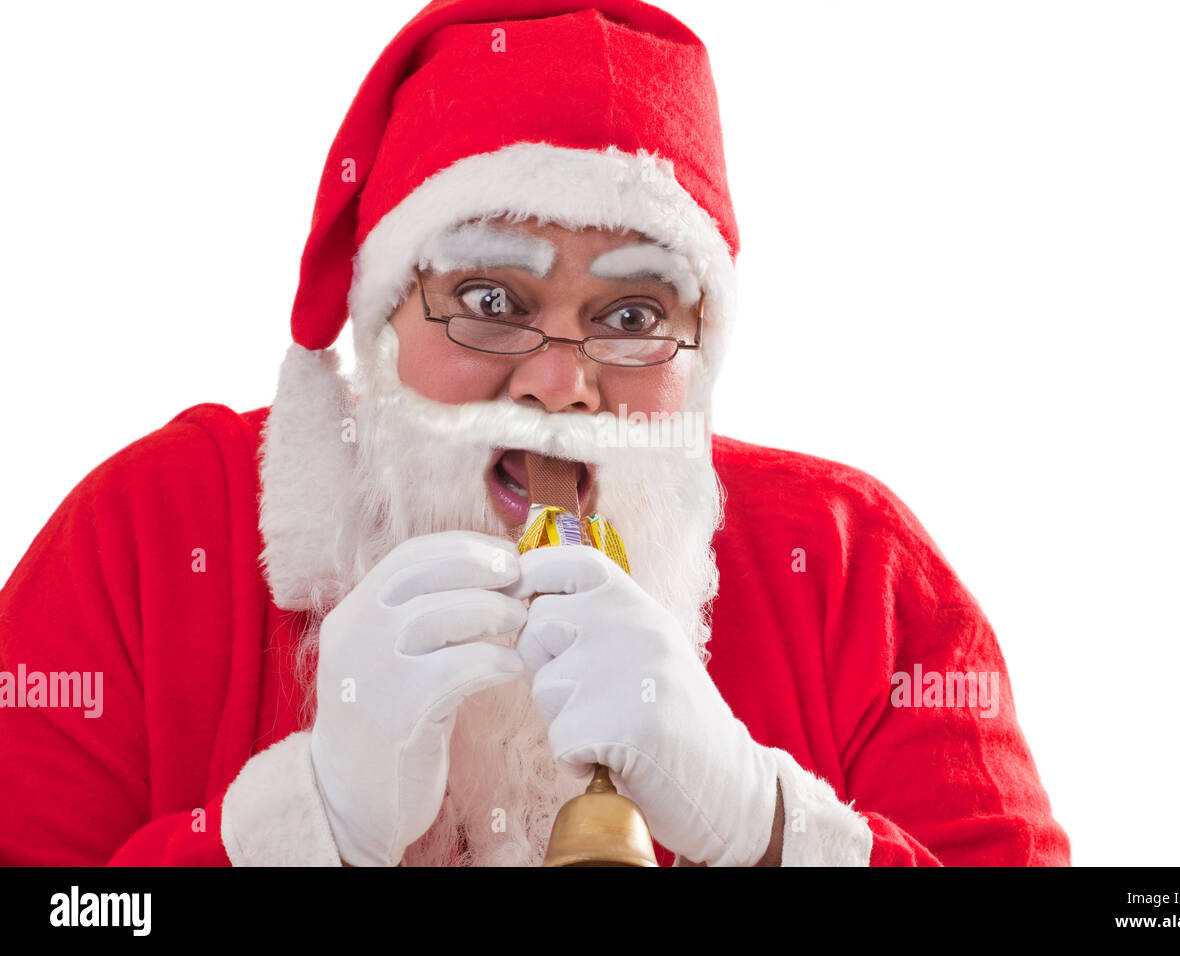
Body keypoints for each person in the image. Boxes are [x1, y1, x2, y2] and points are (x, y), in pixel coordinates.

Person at [0, 0, 1070, 867]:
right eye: (490, 298)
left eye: (632, 317)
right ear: (379, 329)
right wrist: (298, 825)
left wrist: (772, 829)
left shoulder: (852, 571)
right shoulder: (148, 535)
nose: (561, 385)